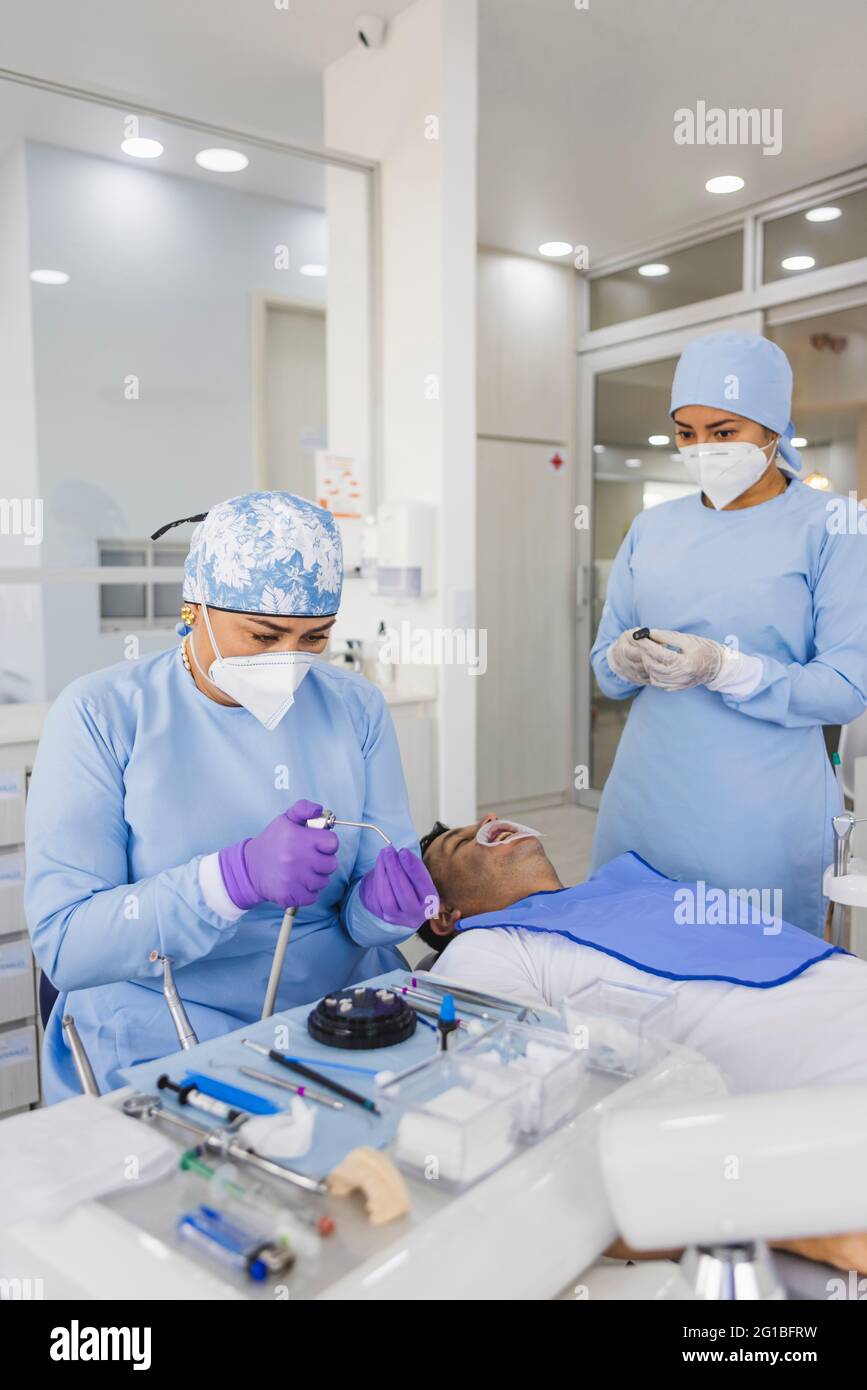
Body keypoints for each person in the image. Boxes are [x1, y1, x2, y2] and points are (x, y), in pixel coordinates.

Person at [25, 491, 436, 1102]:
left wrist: (382, 911)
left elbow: (366, 910)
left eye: (314, 638)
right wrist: (230, 879)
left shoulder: (355, 708)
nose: (289, 661)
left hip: (336, 1019)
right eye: (264, 635)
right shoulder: (102, 714)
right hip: (163, 1031)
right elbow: (67, 945)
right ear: (194, 608)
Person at [590, 331, 867, 936]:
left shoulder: (837, 526)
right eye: (685, 433)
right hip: (646, 796)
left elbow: (846, 689)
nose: (702, 450)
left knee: (750, 966)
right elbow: (606, 673)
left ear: (773, 429)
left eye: (723, 432)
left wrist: (727, 668)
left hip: (759, 811)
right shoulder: (652, 528)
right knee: (629, 953)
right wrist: (622, 659)